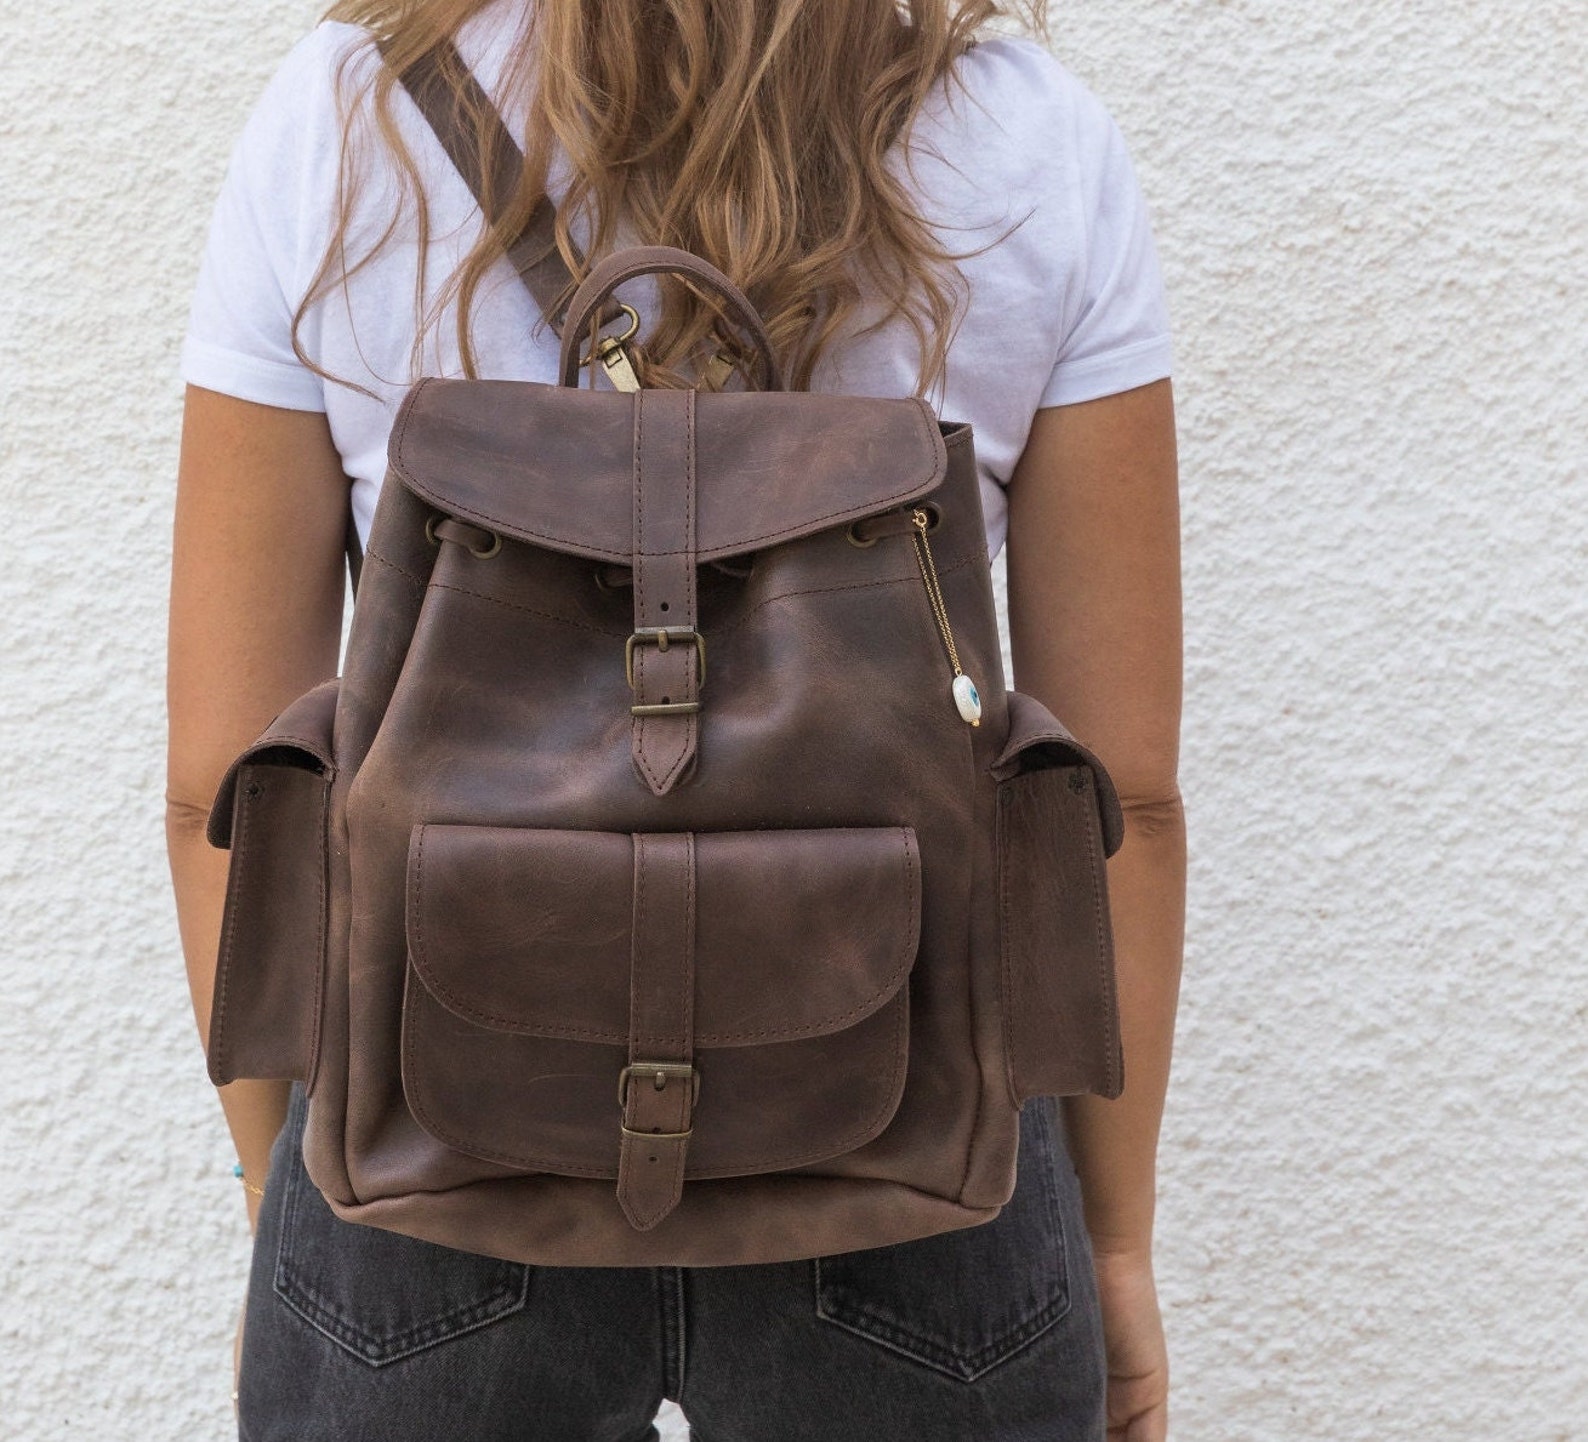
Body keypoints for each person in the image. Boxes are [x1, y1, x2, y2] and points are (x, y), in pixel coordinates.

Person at [164, 0, 1185, 1437]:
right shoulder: (1025, 136)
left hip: (429, 1140)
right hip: (921, 1158)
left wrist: (297, 1202)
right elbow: (1116, 803)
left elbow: (222, 779)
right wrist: (1117, 1240)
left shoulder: (345, 119)